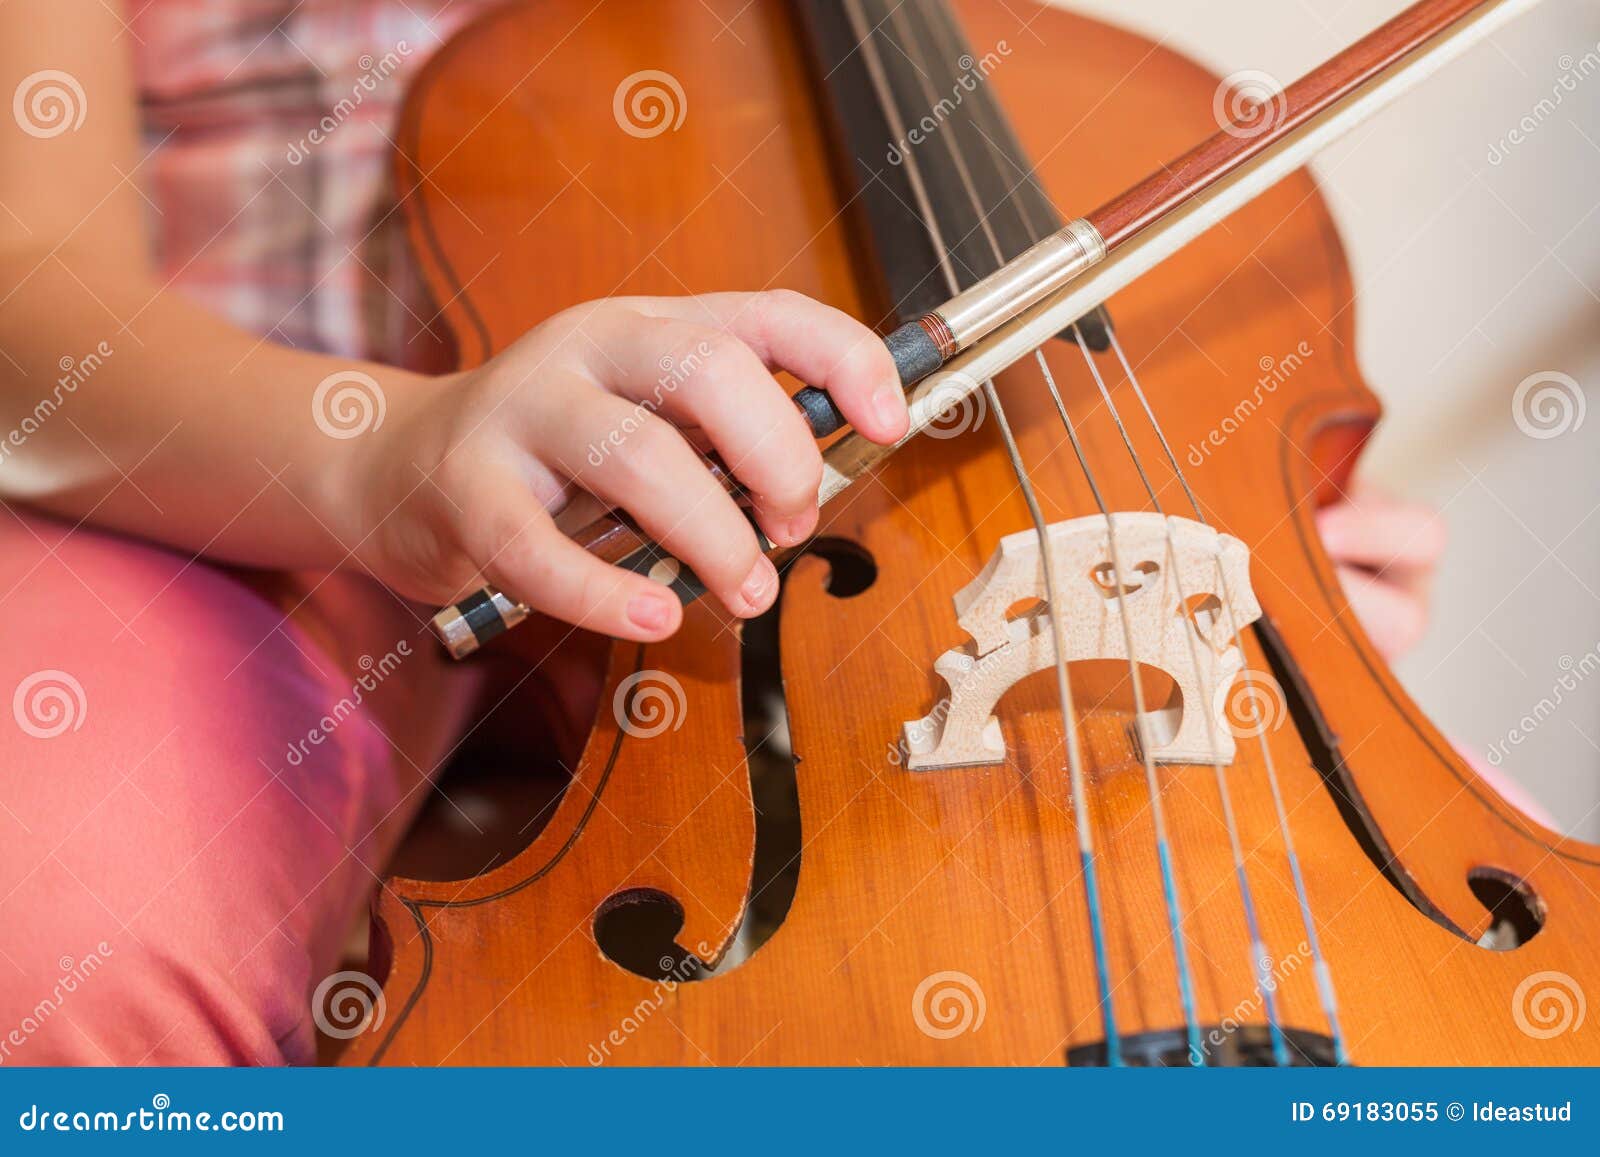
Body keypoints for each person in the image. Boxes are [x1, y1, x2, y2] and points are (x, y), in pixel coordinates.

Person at [0, 0, 1488, 1066]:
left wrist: (1254, 545)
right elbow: (24, 307)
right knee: (59, 930)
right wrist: (386, 452)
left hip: (777, 585)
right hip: (227, 485)